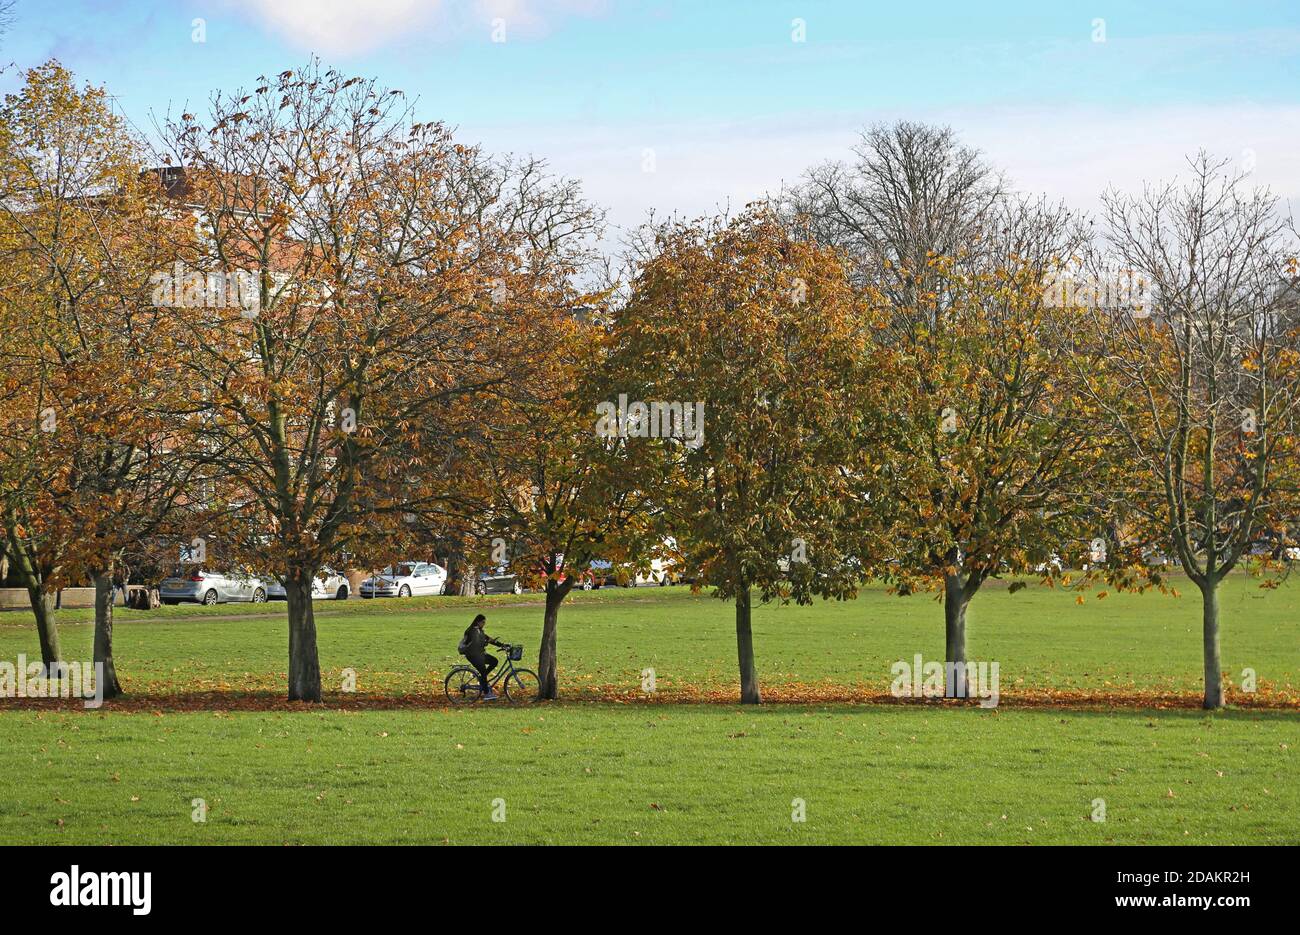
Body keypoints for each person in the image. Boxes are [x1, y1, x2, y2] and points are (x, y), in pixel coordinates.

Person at [458, 613, 506, 700]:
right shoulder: (473, 631)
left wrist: (502, 645)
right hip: (472, 655)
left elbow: (489, 639)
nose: (484, 624)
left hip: (479, 654)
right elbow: (477, 643)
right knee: (483, 671)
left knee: (494, 661)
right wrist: (485, 643)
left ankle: (482, 679)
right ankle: (487, 693)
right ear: (478, 622)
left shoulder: (479, 630)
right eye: (483, 622)